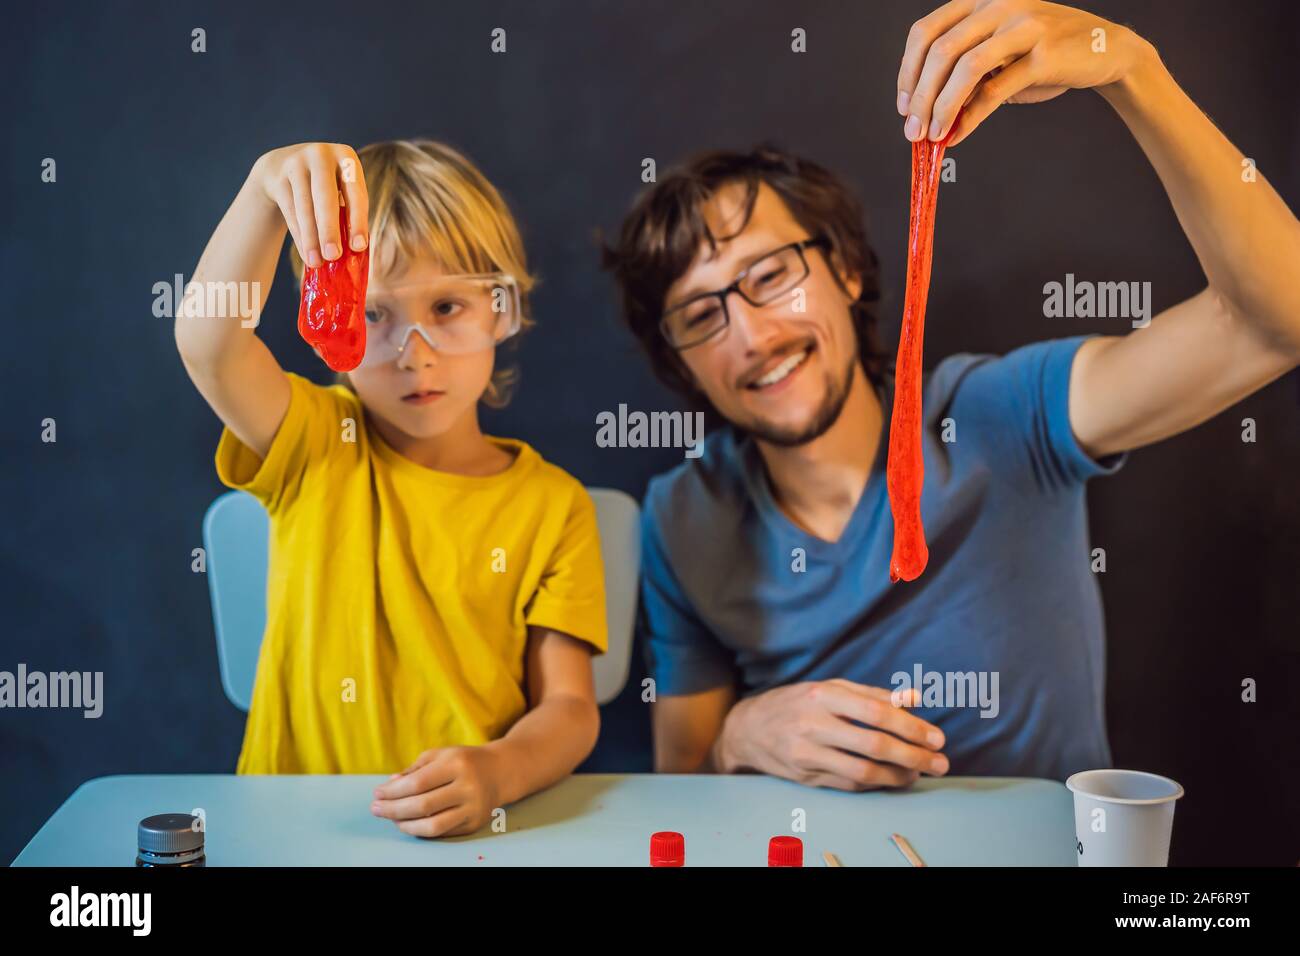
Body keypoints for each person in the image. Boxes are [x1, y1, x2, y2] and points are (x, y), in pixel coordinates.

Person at [602, 0, 1300, 788]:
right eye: (701, 315)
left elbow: (1276, 323)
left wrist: (1134, 69)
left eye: (771, 276)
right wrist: (740, 733)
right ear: (679, 363)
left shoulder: (1004, 414)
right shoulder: (682, 515)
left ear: (847, 272)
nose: (753, 335)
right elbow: (683, 780)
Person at [175, 139, 607, 836]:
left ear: (503, 311)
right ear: (328, 324)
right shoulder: (315, 441)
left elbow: (569, 707)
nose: (416, 353)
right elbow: (209, 343)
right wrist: (264, 193)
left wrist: (498, 773)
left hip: (472, 838)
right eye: (374, 315)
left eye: (446, 308)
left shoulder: (555, 506)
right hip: (291, 831)